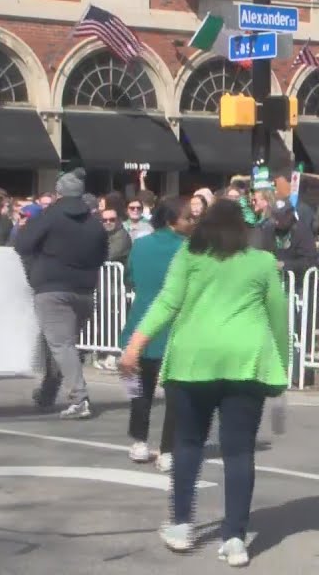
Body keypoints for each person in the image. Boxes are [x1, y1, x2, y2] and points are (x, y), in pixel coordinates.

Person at [118, 199, 290, 568]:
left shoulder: (188, 257)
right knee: (239, 452)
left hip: (192, 360)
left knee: (188, 444)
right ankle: (234, 538)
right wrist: (281, 371)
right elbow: (278, 318)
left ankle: (182, 525)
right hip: (247, 362)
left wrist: (135, 345)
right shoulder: (261, 262)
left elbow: (167, 303)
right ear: (243, 229)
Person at [14, 168, 109, 420]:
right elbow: (102, 255)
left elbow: (22, 244)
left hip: (52, 288)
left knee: (60, 344)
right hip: (85, 291)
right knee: (62, 345)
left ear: (58, 193)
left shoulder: (50, 217)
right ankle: (48, 392)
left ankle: (80, 398)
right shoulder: (95, 224)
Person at [120, 197, 195, 471]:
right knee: (175, 395)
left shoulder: (140, 245)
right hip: (175, 327)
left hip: (140, 324)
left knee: (140, 391)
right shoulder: (189, 249)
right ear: (171, 220)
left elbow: (130, 278)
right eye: (188, 217)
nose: (192, 222)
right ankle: (167, 451)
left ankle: (139, 442)